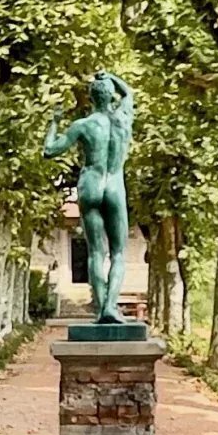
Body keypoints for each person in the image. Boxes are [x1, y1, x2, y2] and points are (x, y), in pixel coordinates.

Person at [43, 72, 134, 322]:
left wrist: (54, 122)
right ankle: (111, 307)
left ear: (91, 98)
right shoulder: (123, 119)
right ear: (111, 96)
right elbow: (128, 92)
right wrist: (111, 76)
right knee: (118, 253)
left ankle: (100, 307)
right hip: (114, 185)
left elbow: (49, 150)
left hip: (91, 185)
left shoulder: (82, 125)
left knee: (96, 252)